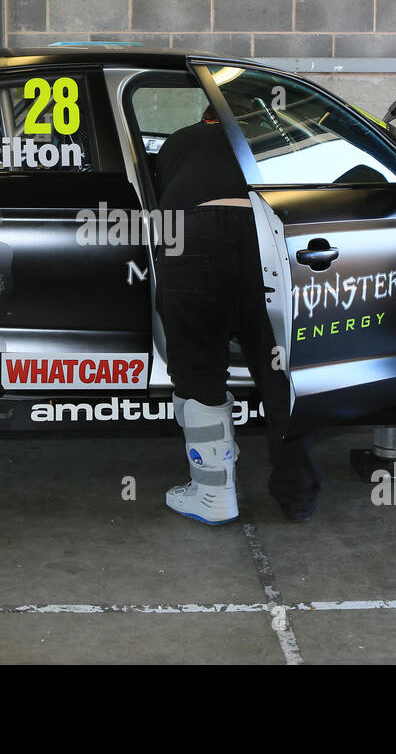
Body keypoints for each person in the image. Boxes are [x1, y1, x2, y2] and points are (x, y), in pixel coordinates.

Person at [153, 105, 321, 524]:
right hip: (266, 236)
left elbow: (161, 196)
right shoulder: (276, 141)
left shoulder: (181, 140)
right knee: (281, 370)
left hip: (189, 234)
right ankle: (297, 496)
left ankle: (214, 496)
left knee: (197, 367)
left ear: (206, 116)